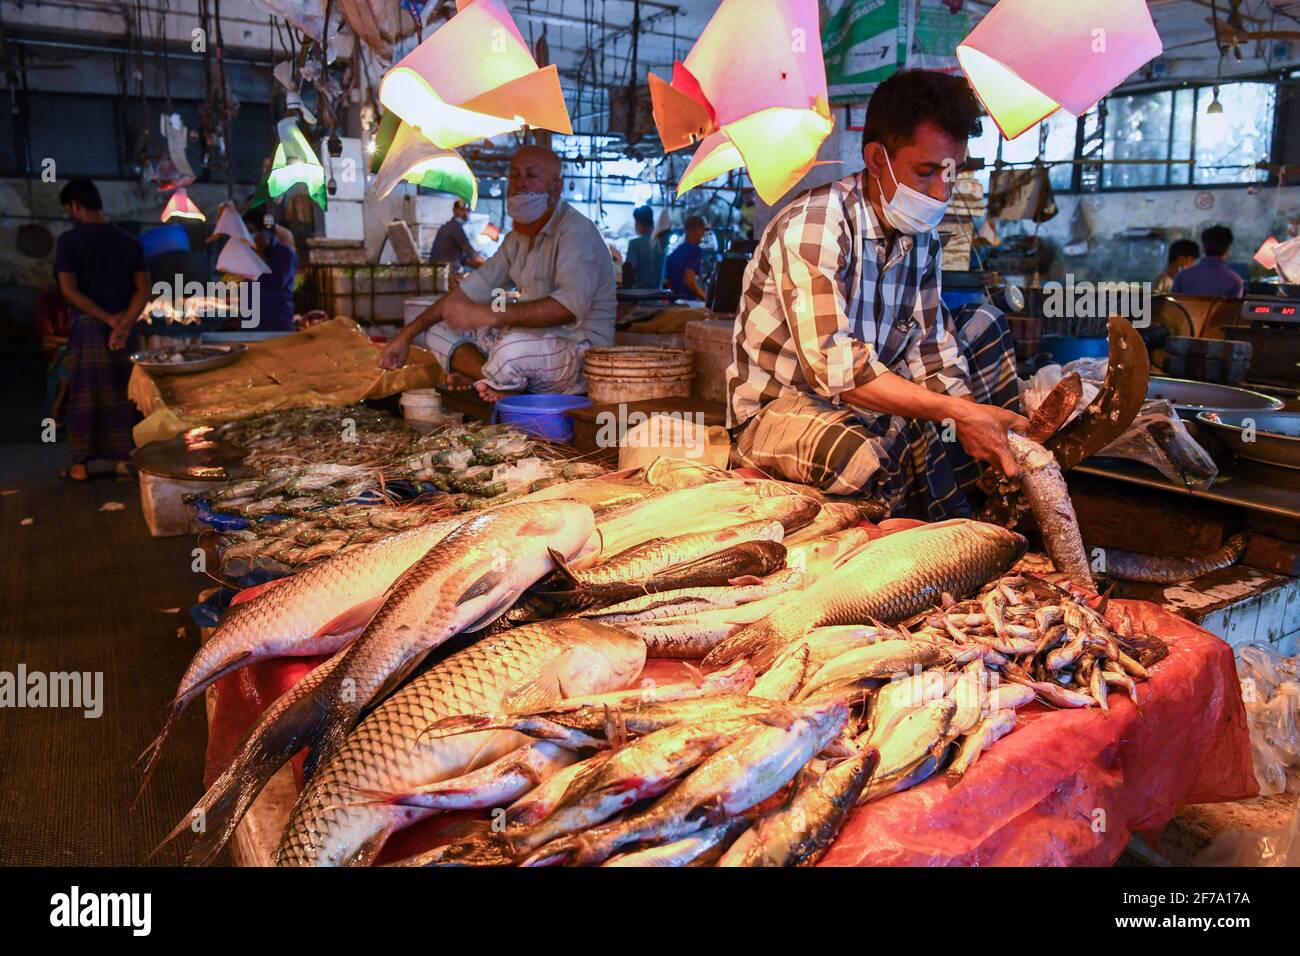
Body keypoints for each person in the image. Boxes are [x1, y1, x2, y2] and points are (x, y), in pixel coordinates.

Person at [727, 69, 1028, 519]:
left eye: (952, 172)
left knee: (985, 324)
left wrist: (971, 416)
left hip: (870, 405)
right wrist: (954, 413)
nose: (941, 191)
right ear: (875, 158)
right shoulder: (816, 225)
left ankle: (1003, 496)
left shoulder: (921, 236)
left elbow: (932, 353)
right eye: (925, 172)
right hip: (782, 413)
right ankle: (899, 549)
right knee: (857, 455)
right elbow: (835, 367)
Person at [379, 145, 615, 402]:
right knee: (438, 328)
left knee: (511, 348)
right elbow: (465, 293)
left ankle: (498, 379)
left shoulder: (576, 233)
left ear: (556, 189)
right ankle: (494, 380)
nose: (520, 184)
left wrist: (492, 314)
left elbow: (568, 308)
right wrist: (407, 334)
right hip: (532, 346)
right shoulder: (516, 239)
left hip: (579, 353)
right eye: (515, 176)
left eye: (531, 175)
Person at [54, 177, 151, 482]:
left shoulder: (69, 241)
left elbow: (69, 290)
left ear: (75, 206)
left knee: (85, 394)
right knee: (126, 393)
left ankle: (81, 465)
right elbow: (144, 289)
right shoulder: (129, 241)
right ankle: (126, 460)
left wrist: (108, 321)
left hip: (89, 328)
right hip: (125, 329)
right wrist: (124, 323)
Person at [242, 206, 297, 332]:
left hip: (276, 323)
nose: (248, 235)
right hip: (250, 323)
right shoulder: (249, 254)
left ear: (263, 232)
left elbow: (276, 282)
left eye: (251, 230)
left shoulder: (285, 253)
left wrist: (260, 254)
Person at [1171, 226, 1244, 298]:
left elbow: (1173, 306)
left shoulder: (1182, 276)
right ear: (1227, 250)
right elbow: (1235, 309)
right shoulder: (1235, 281)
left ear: (1203, 248)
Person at [428, 200, 485, 270]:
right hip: (445, 272)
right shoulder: (454, 228)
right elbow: (471, 253)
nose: (466, 213)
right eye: (462, 210)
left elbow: (464, 259)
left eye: (468, 211)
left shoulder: (450, 226)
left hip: (439, 271)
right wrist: (490, 266)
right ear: (454, 211)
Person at [665, 215, 709, 300]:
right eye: (702, 230)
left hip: (674, 304)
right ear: (695, 229)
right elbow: (689, 280)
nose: (703, 234)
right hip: (689, 303)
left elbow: (668, 283)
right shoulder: (695, 251)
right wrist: (704, 297)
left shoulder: (673, 254)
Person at [622, 205, 664, 290]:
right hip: (657, 295)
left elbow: (630, 271)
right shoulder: (661, 243)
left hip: (638, 295)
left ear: (638, 223)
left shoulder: (634, 244)